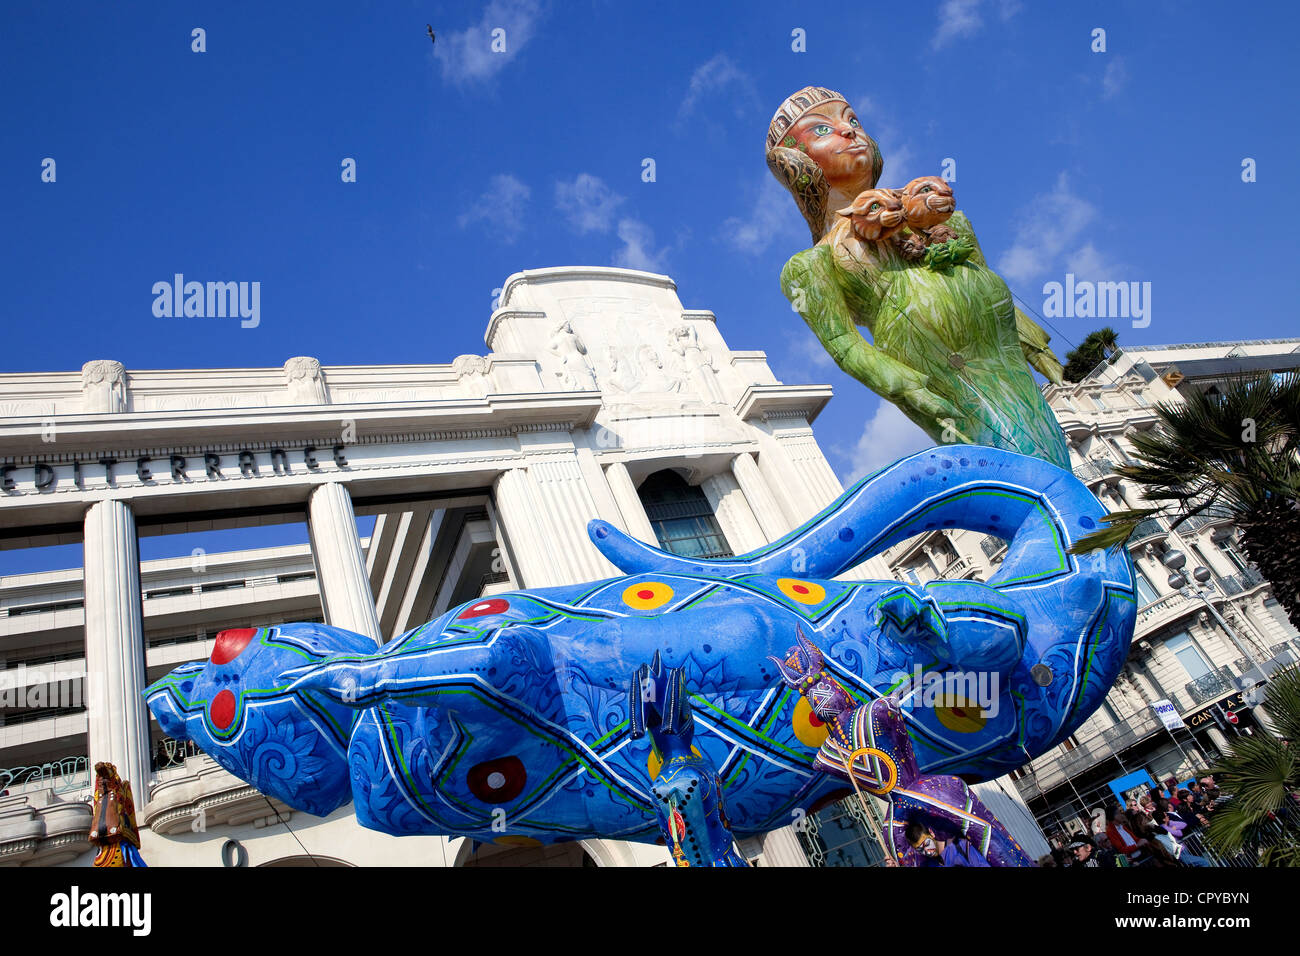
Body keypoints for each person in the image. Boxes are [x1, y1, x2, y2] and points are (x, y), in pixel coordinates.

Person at [905, 820, 992, 867]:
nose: (927, 851)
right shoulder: (930, 865)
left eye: (927, 844)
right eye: (920, 849)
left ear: (931, 833)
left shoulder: (959, 846)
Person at [1105, 801, 1162, 866]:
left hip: (1142, 853)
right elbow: (1121, 850)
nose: (1121, 815)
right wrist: (1137, 845)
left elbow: (1135, 839)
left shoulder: (1122, 826)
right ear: (1113, 816)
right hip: (1134, 860)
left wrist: (1142, 841)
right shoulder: (1110, 831)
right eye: (1119, 813)